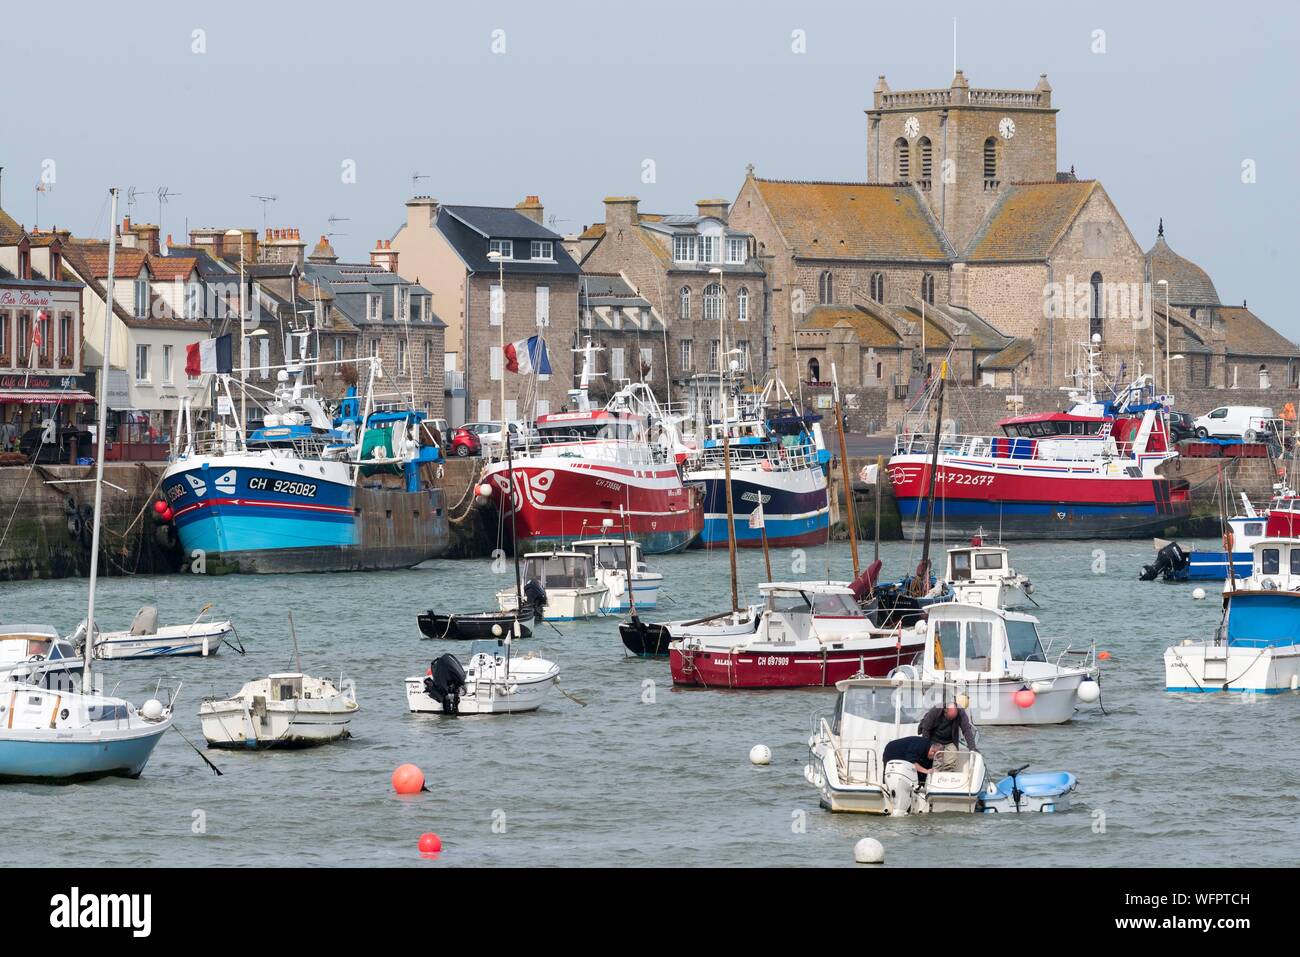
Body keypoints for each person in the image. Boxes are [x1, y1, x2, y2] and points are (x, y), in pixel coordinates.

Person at [919, 699, 978, 770]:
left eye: (954, 718)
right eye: (950, 718)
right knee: (937, 764)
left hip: (951, 741)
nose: (951, 720)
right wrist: (926, 747)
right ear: (945, 711)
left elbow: (966, 730)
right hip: (935, 740)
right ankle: (935, 775)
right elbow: (926, 729)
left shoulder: (961, 712)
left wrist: (972, 748)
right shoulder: (936, 710)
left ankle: (949, 775)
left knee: (950, 763)